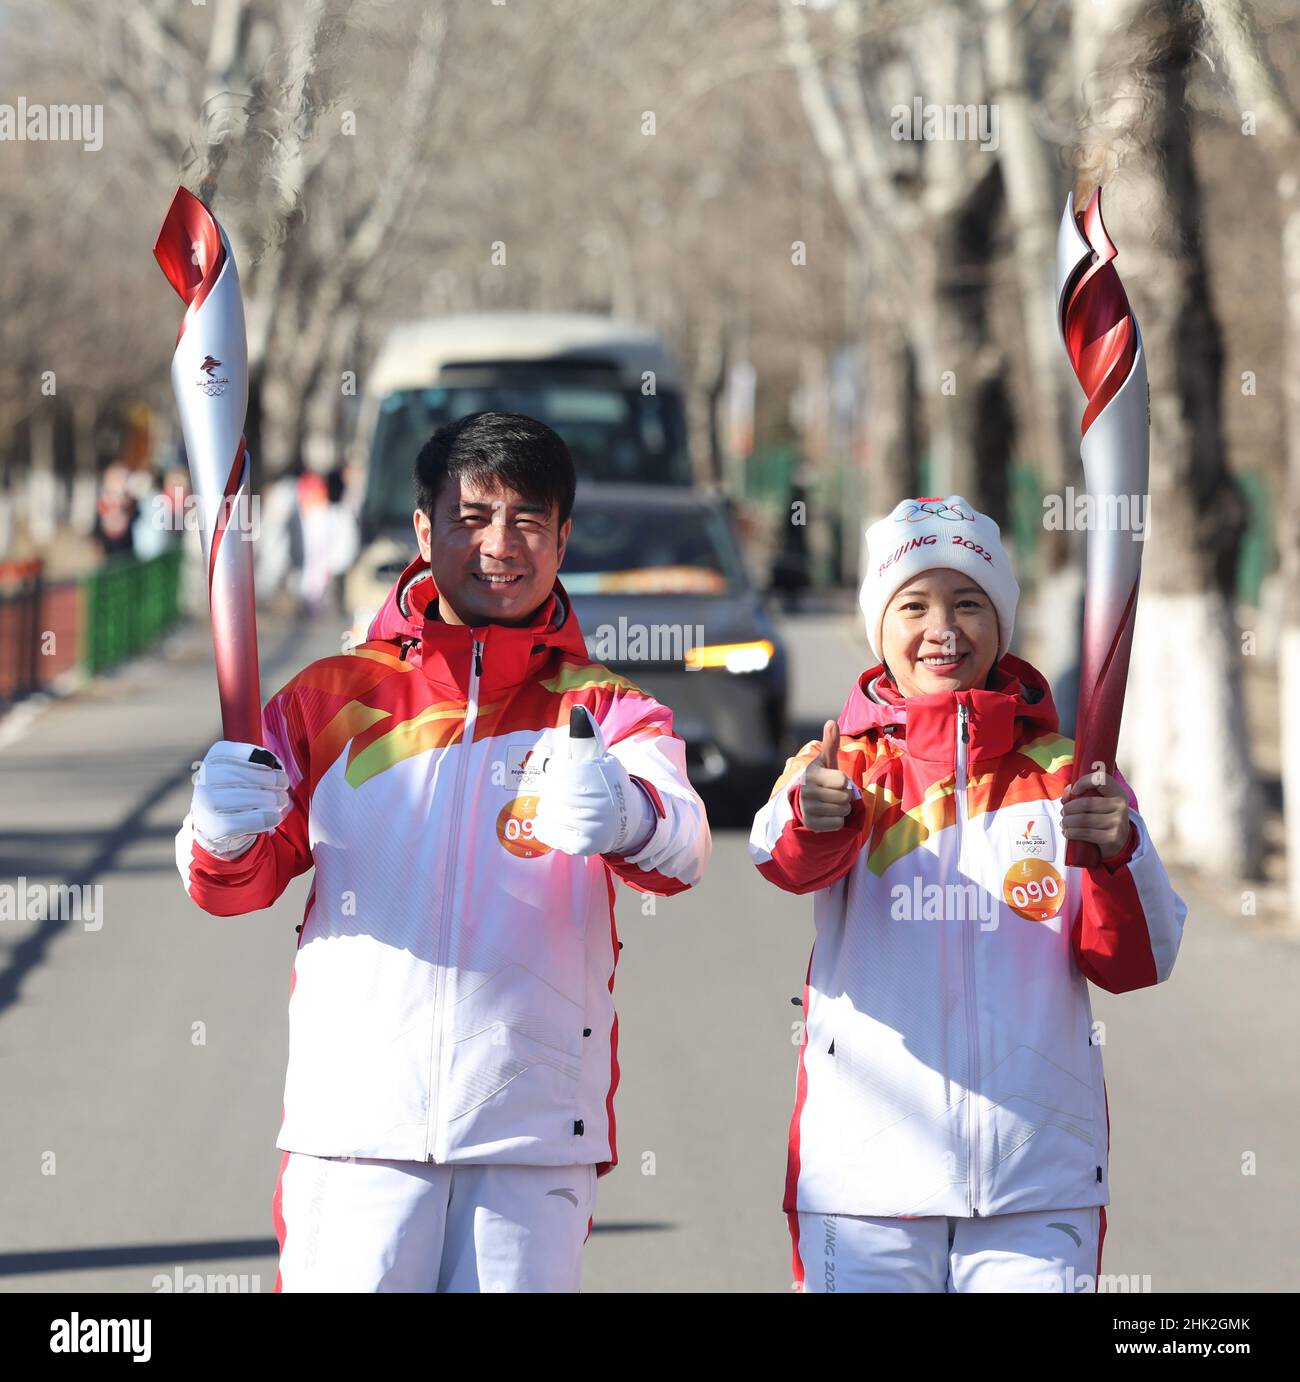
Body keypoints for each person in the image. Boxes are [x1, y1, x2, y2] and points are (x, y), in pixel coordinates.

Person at [176, 412, 712, 1292]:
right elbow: (232, 886)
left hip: (531, 1137)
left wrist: (627, 811)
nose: (500, 544)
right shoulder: (331, 697)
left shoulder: (607, 711)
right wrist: (219, 830)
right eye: (472, 516)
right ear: (425, 529)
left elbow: (683, 848)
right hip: (355, 1134)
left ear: (563, 537)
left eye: (529, 520)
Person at [749, 495, 1187, 1293]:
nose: (942, 629)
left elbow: (1137, 961)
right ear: (879, 627)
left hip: (1037, 1183)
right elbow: (783, 859)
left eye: (969, 603)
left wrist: (1119, 852)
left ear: (1001, 623)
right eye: (913, 604)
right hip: (864, 1185)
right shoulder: (843, 766)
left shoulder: (1067, 776)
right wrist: (816, 816)